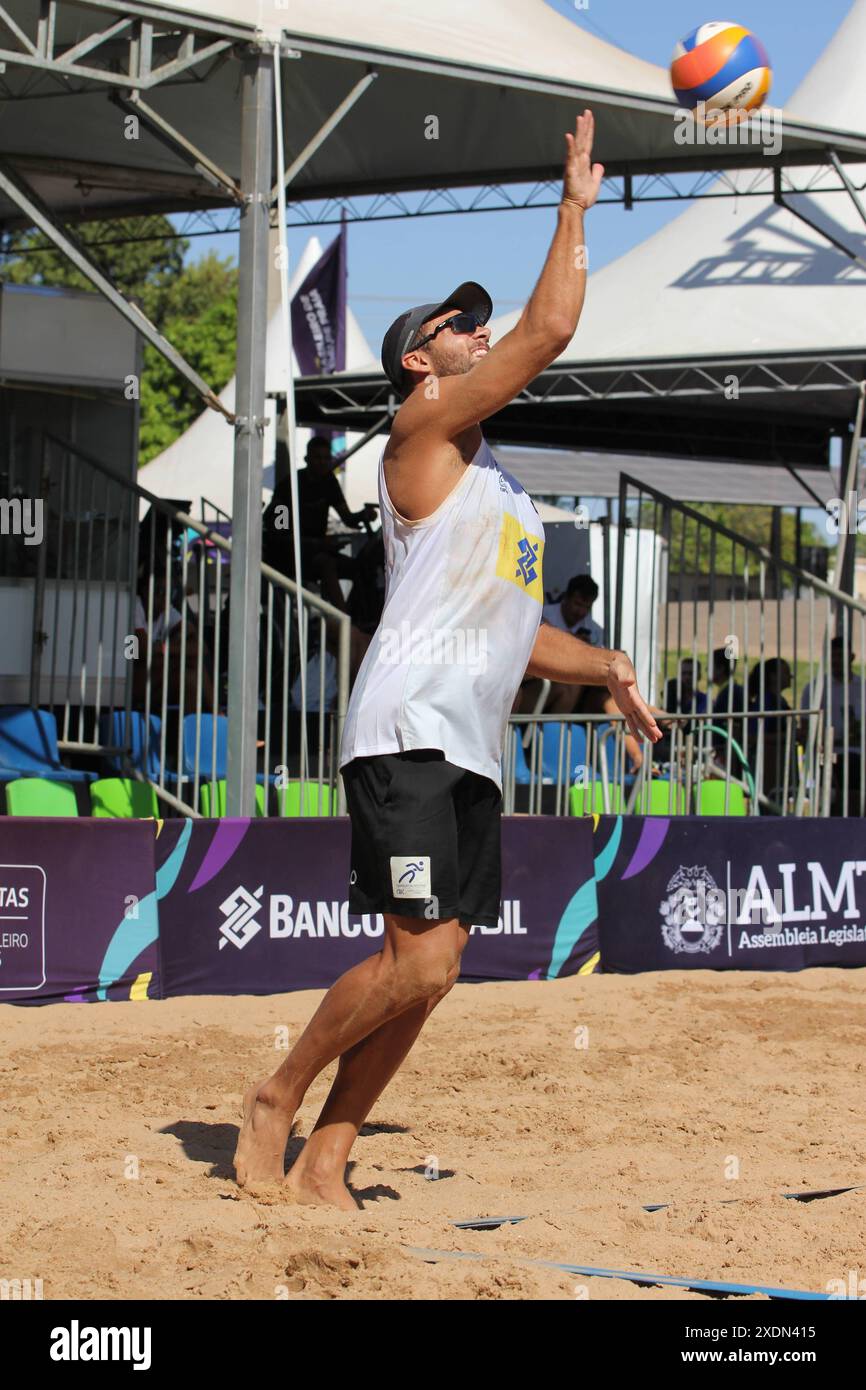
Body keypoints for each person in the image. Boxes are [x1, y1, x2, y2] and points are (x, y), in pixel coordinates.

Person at [233, 110, 660, 1208]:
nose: (478, 327)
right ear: (420, 359)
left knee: (437, 972)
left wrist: (603, 664)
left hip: (469, 748)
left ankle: (330, 1149)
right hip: (406, 732)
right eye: (457, 322)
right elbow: (550, 328)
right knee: (416, 960)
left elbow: (519, 630)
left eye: (478, 320)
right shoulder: (417, 431)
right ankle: (277, 1094)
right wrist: (571, 205)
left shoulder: (499, 491)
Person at [262, 434, 378, 613]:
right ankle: (344, 621)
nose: (322, 462)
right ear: (307, 459)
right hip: (289, 557)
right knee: (327, 564)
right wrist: (317, 544)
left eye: (326, 458)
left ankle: (364, 617)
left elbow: (347, 518)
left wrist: (363, 515)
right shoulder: (289, 486)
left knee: (361, 568)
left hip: (318, 551)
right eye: (318, 457)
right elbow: (280, 536)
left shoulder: (329, 483)